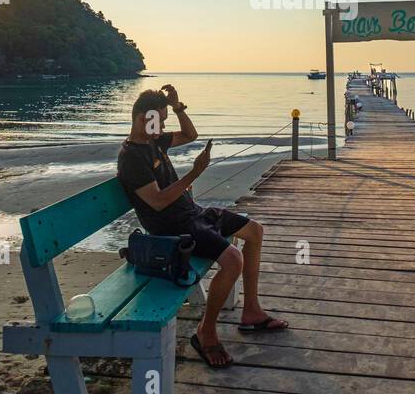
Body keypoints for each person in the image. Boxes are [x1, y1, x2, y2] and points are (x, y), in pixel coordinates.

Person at [116, 84, 287, 369]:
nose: (161, 128)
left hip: (192, 213)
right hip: (172, 228)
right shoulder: (132, 157)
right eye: (156, 120)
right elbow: (157, 202)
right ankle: (205, 330)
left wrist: (177, 107)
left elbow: (190, 135)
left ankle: (252, 311)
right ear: (140, 118)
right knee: (233, 259)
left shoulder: (154, 142)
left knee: (254, 231)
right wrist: (195, 172)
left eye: (163, 121)